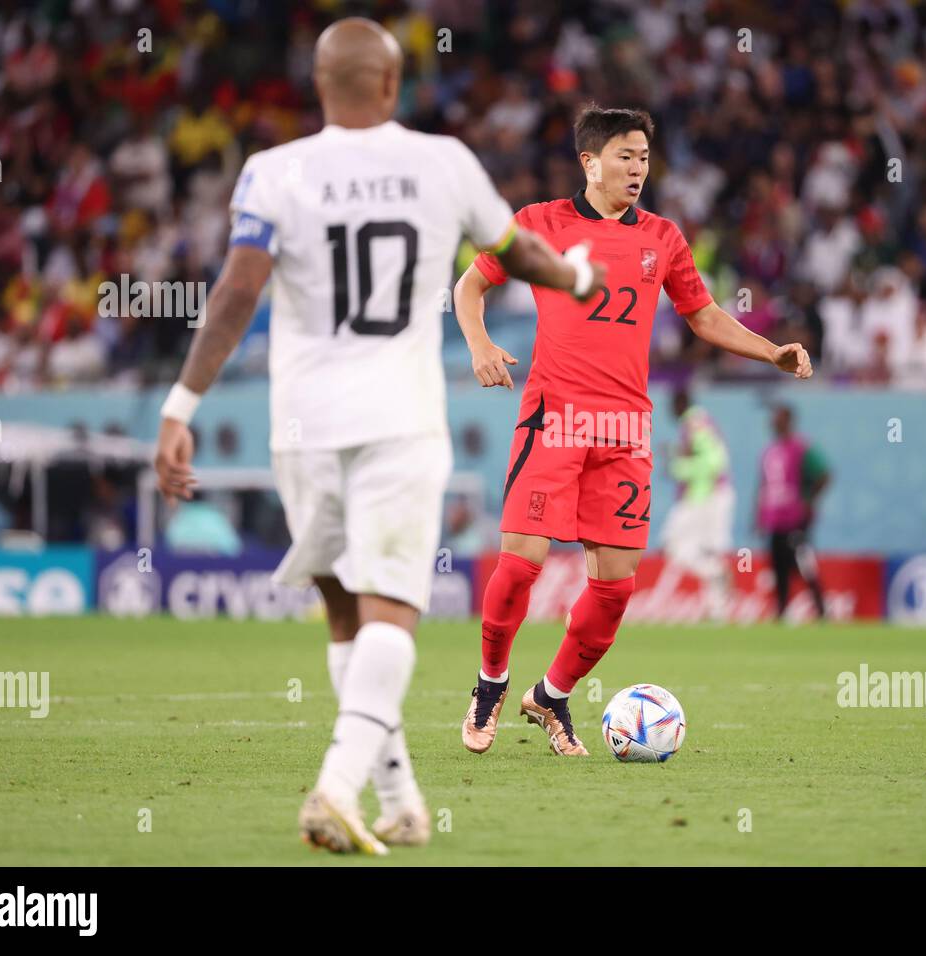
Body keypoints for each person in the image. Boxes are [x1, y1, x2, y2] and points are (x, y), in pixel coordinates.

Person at [152, 18, 604, 854]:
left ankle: (399, 800)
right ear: (394, 86)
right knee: (390, 610)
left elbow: (235, 294)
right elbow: (518, 254)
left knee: (341, 614)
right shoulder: (443, 163)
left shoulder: (272, 172)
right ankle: (335, 786)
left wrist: (181, 405)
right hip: (399, 421)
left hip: (304, 425)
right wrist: (578, 274)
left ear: (319, 86)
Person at [455, 105, 812, 756]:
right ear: (590, 162)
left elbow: (703, 316)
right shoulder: (539, 224)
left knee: (616, 587)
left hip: (625, 428)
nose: (638, 168)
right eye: (625, 155)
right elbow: (469, 287)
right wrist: (479, 345)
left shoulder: (664, 238)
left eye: (644, 157)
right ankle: (491, 682)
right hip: (555, 417)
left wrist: (772, 352)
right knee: (521, 562)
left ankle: (552, 695)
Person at [661, 388, 735, 620]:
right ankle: (717, 608)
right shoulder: (699, 422)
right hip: (708, 494)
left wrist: (677, 467)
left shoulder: (694, 421)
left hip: (705, 496)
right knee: (707, 551)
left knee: (673, 544)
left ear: (680, 402)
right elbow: (703, 454)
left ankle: (717, 599)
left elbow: (713, 460)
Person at [756, 404, 831, 621]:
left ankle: (821, 610)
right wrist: (760, 517)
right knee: (778, 568)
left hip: (796, 521)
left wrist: (807, 502)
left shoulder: (802, 448)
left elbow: (824, 475)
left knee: (804, 565)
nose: (772, 422)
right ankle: (781, 612)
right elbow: (763, 486)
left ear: (788, 420)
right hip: (775, 520)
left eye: (777, 417)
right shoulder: (769, 451)